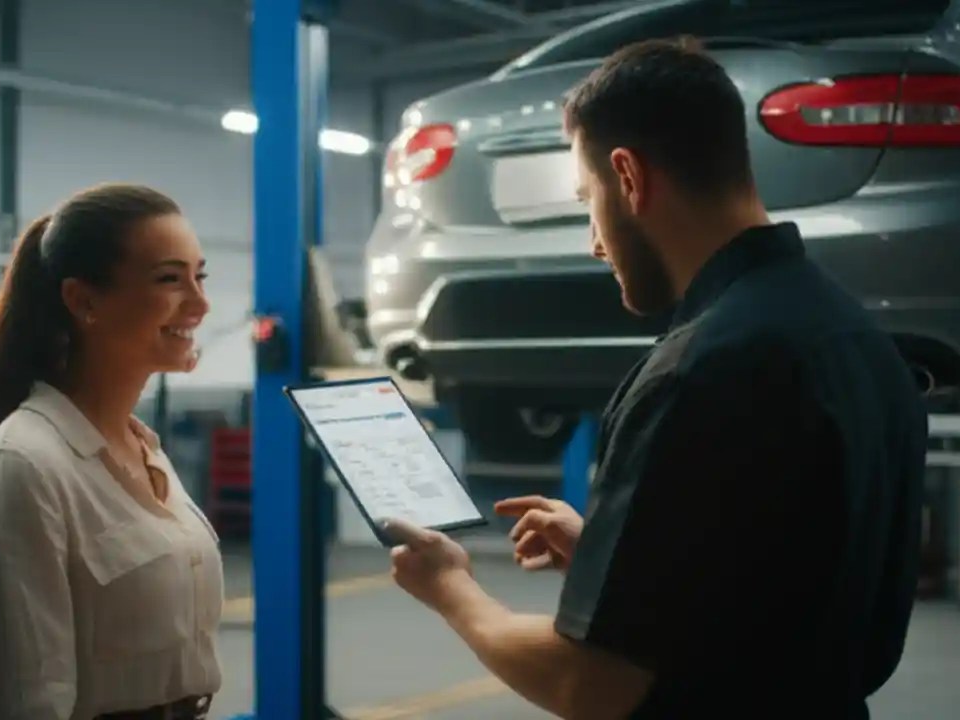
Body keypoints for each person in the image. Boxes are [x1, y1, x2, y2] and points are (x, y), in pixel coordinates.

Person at [383, 37, 927, 719]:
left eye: (588, 199)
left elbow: (594, 687)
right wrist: (617, 557)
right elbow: (783, 586)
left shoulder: (696, 372)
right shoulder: (861, 343)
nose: (593, 239)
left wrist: (452, 591)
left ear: (630, 178)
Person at [0, 183, 225, 720]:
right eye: (170, 279)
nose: (200, 302)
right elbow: (20, 703)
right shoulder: (24, 467)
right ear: (84, 300)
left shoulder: (144, 451)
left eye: (200, 276)